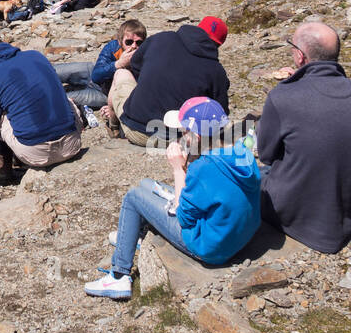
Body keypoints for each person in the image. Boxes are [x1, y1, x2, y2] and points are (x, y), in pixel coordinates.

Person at [85, 97, 260, 300]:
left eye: (184, 131)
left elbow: (184, 218)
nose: (182, 135)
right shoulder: (240, 152)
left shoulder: (203, 167)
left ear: (196, 136)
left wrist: (179, 168)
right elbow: (212, 195)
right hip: (237, 235)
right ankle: (132, 235)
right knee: (147, 185)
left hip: (211, 246)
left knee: (134, 197)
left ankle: (119, 275)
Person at [256, 22, 351, 254]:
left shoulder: (283, 96)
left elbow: (266, 154)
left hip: (299, 218)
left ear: (300, 56)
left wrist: (288, 89)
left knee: (249, 175)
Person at [0, 37, 82, 182]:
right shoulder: (37, 56)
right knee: (66, 100)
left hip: (36, 155)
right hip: (72, 144)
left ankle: (2, 173)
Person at [119, 16, 231, 147]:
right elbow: (219, 115)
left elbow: (135, 64)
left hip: (137, 131)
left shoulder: (161, 38)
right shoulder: (217, 71)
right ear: (218, 44)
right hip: (180, 140)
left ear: (197, 28)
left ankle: (115, 126)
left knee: (121, 73)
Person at [94, 19, 148, 137]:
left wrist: (113, 106)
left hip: (107, 93)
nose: (134, 46)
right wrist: (119, 64)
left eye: (139, 43)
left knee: (72, 95)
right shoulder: (113, 47)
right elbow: (96, 76)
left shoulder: (147, 55)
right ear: (119, 41)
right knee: (64, 72)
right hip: (103, 78)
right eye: (129, 42)